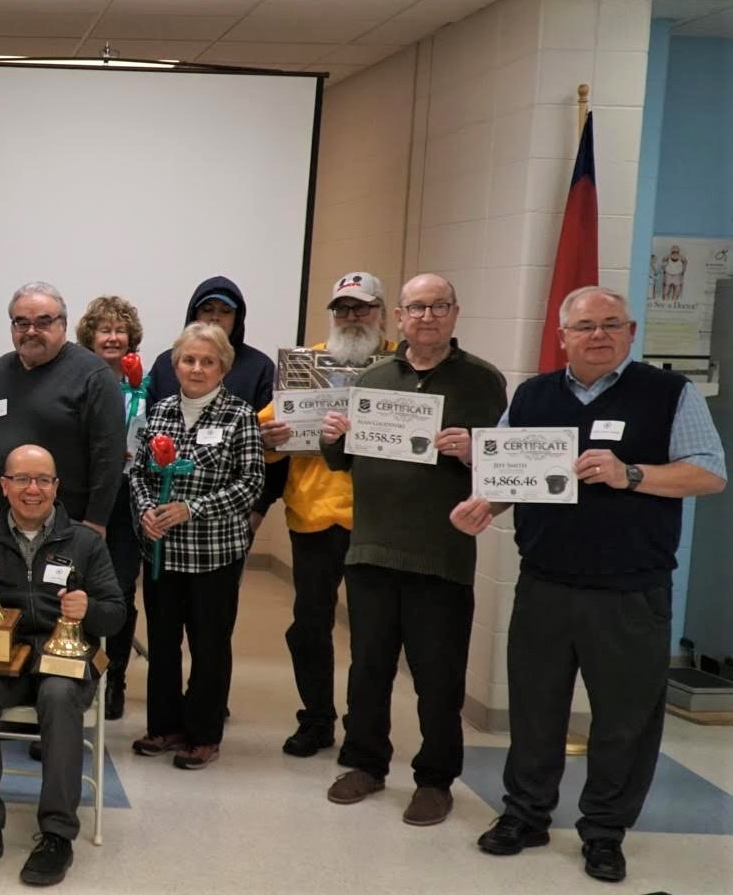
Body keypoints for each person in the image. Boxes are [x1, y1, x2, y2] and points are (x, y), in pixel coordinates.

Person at [452, 287, 725, 883]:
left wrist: (631, 474)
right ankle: (524, 815)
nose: (598, 335)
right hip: (545, 582)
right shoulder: (533, 396)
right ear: (563, 336)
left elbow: (708, 472)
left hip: (631, 590)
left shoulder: (669, 394)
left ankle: (604, 831)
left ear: (630, 332)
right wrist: (485, 505)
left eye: (611, 324)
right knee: (535, 710)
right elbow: (510, 473)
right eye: (584, 326)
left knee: (624, 719)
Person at [318, 273, 507, 827]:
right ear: (398, 318)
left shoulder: (482, 382)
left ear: (455, 313)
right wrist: (334, 435)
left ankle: (435, 778)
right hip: (372, 549)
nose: (427, 317)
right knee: (369, 667)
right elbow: (343, 461)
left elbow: (511, 466)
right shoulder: (376, 376)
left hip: (440, 555)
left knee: (437, 675)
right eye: (416, 308)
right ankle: (366, 763)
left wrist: (476, 451)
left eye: (438, 306)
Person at [0, 444, 124, 887]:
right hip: (1, 660)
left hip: (63, 660)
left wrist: (90, 609)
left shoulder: (84, 542)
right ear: (4, 486)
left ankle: (57, 834)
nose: (34, 489)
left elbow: (115, 613)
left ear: (56, 487)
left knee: (59, 694)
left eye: (43, 480)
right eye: (23, 479)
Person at [255, 272, 397, 757]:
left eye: (361, 308)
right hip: (314, 517)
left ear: (381, 310)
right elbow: (268, 436)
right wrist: (270, 442)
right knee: (309, 626)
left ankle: (365, 729)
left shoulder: (401, 366)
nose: (352, 318)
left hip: (379, 522)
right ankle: (316, 720)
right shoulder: (305, 366)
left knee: (373, 633)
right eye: (343, 309)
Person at [128, 323, 265, 770]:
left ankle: (204, 733)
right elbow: (139, 475)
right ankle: (165, 726)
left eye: (208, 361)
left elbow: (251, 485)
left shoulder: (240, 416)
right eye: (188, 360)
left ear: (223, 367)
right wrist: (147, 510)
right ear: (175, 364)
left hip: (214, 556)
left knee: (208, 646)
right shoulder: (160, 411)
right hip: (162, 554)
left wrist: (192, 508)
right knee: (164, 644)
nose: (197, 368)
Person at [0, 282, 122, 543]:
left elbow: (109, 457)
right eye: (21, 323)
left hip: (68, 524)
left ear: (63, 325)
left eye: (43, 322)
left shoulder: (93, 376)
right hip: (3, 522)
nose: (31, 331)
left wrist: (96, 520)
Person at [146, 276, 283, 537]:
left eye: (225, 311)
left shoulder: (260, 368)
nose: (215, 318)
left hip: (227, 526)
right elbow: (147, 446)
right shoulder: (166, 364)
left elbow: (274, 449)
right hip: (164, 517)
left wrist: (260, 508)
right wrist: (147, 509)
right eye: (207, 309)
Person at [76, 294, 145, 719]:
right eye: (105, 330)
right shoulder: (77, 381)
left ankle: (114, 676)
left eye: (120, 330)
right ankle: (75, 674)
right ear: (91, 337)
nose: (113, 337)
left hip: (127, 500)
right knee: (70, 589)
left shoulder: (148, 384)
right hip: (84, 494)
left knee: (119, 590)